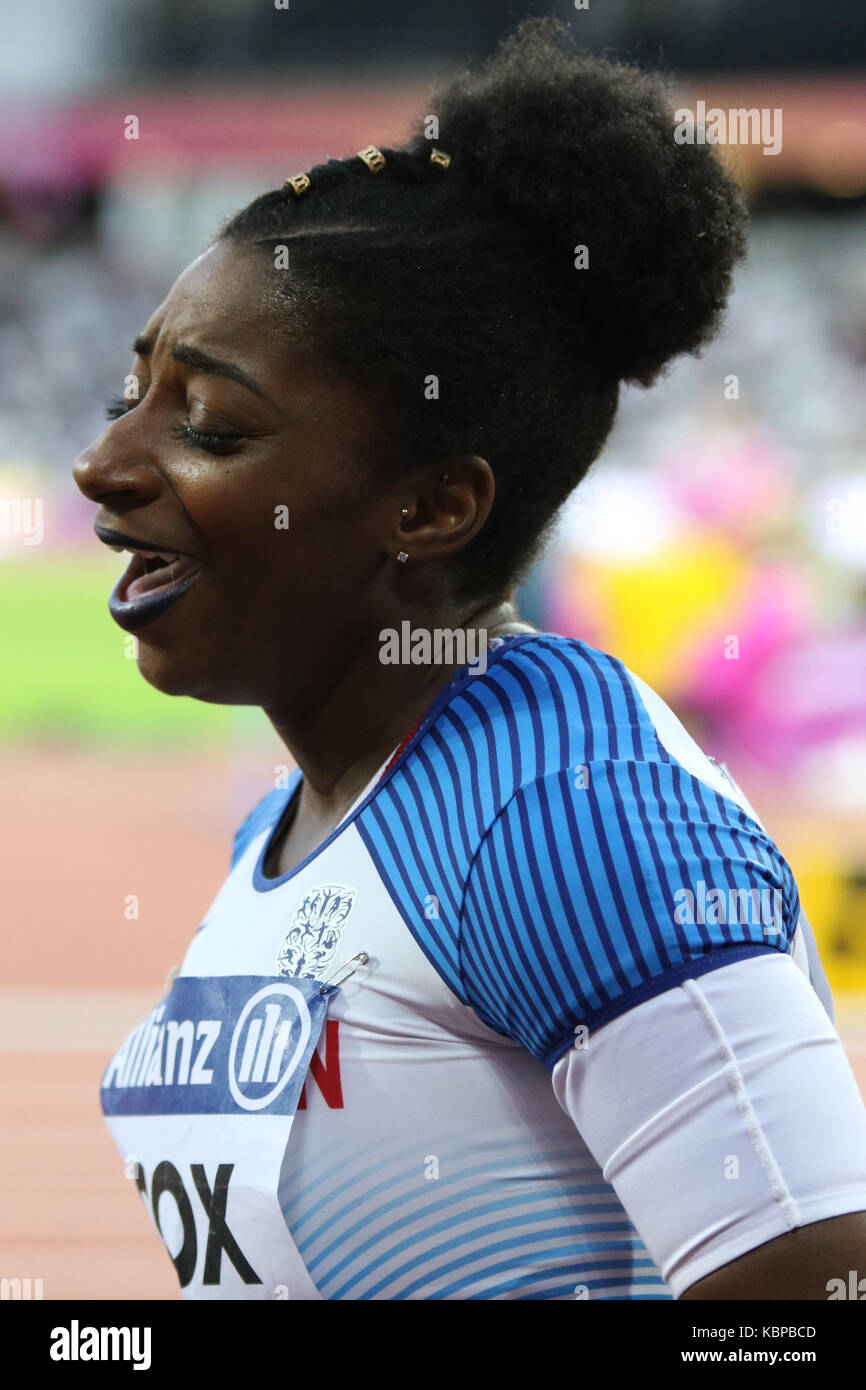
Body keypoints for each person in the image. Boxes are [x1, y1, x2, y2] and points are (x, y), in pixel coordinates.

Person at [74, 18, 866, 1300]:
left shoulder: (566, 818)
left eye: (209, 423)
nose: (105, 467)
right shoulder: (299, 820)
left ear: (432, 508)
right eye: (134, 395)